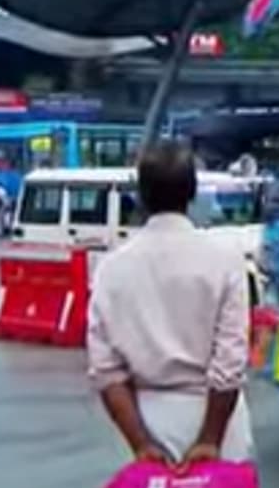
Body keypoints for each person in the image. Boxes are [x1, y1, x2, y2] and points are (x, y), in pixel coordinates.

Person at [86, 140, 254, 469]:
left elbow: (106, 371)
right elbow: (229, 366)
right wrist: (209, 439)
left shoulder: (112, 269)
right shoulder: (225, 260)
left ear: (142, 196)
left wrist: (141, 444)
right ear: (192, 192)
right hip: (218, 425)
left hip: (145, 420)